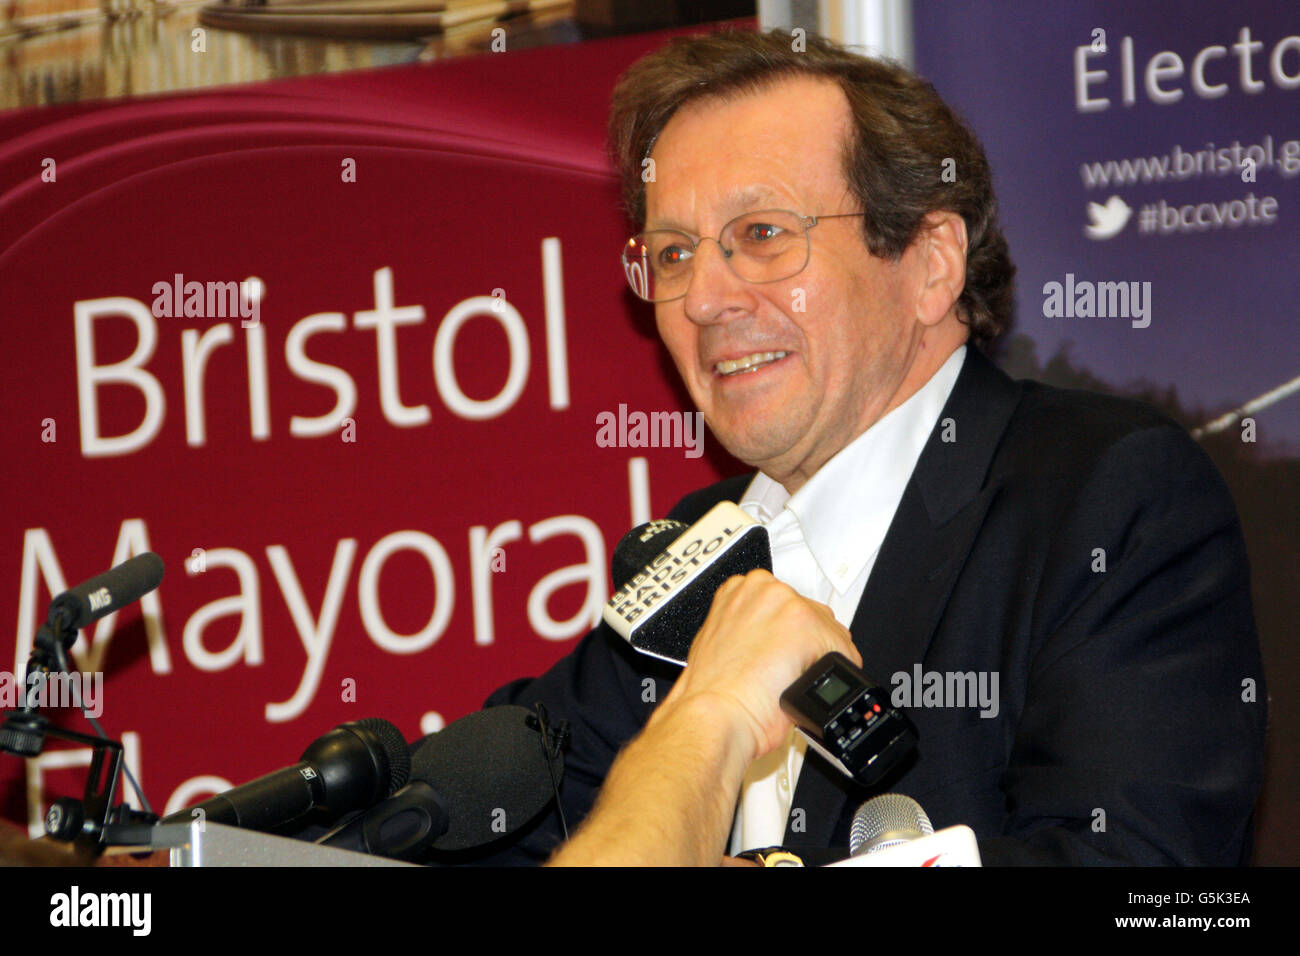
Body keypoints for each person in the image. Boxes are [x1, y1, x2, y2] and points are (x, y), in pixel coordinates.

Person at [484, 29, 1267, 866]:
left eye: (762, 233)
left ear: (931, 264)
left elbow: (1147, 875)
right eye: (672, 253)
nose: (703, 299)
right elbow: (493, 814)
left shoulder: (1107, 498)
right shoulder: (693, 549)